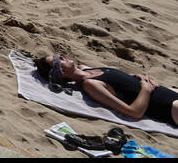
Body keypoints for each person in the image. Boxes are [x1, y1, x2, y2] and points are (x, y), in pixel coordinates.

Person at [35, 53, 178, 127]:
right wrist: (145, 90)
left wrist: (136, 77)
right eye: (58, 60)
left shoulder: (86, 68)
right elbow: (133, 112)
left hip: (169, 92)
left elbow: (121, 83)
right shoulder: (90, 85)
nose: (61, 56)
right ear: (62, 73)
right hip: (169, 108)